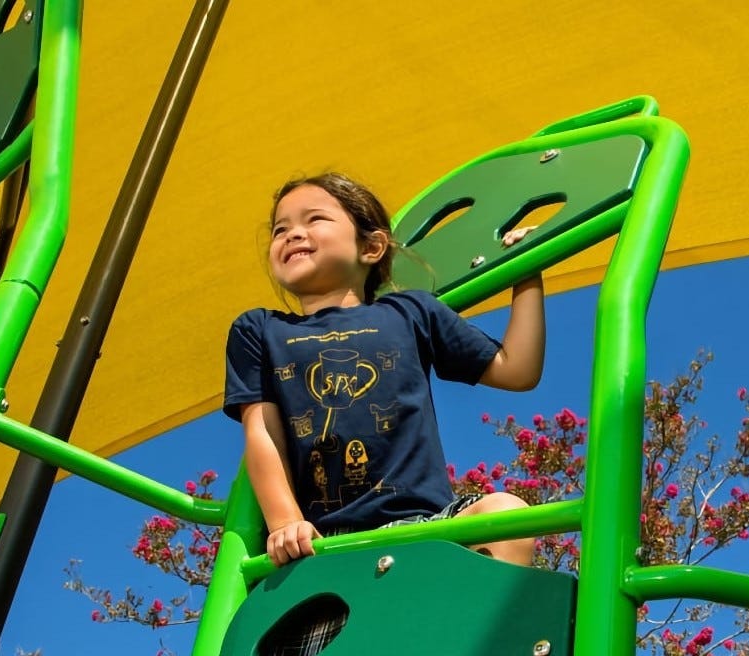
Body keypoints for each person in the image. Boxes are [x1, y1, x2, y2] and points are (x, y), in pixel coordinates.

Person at [223, 172, 544, 568]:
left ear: (371, 247)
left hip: (426, 526)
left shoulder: (411, 312)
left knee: (505, 512)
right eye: (280, 229)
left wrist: (527, 272)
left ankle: (488, 628)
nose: (292, 234)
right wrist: (286, 522)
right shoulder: (260, 330)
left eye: (314, 220)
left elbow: (517, 370)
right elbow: (262, 432)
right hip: (326, 542)